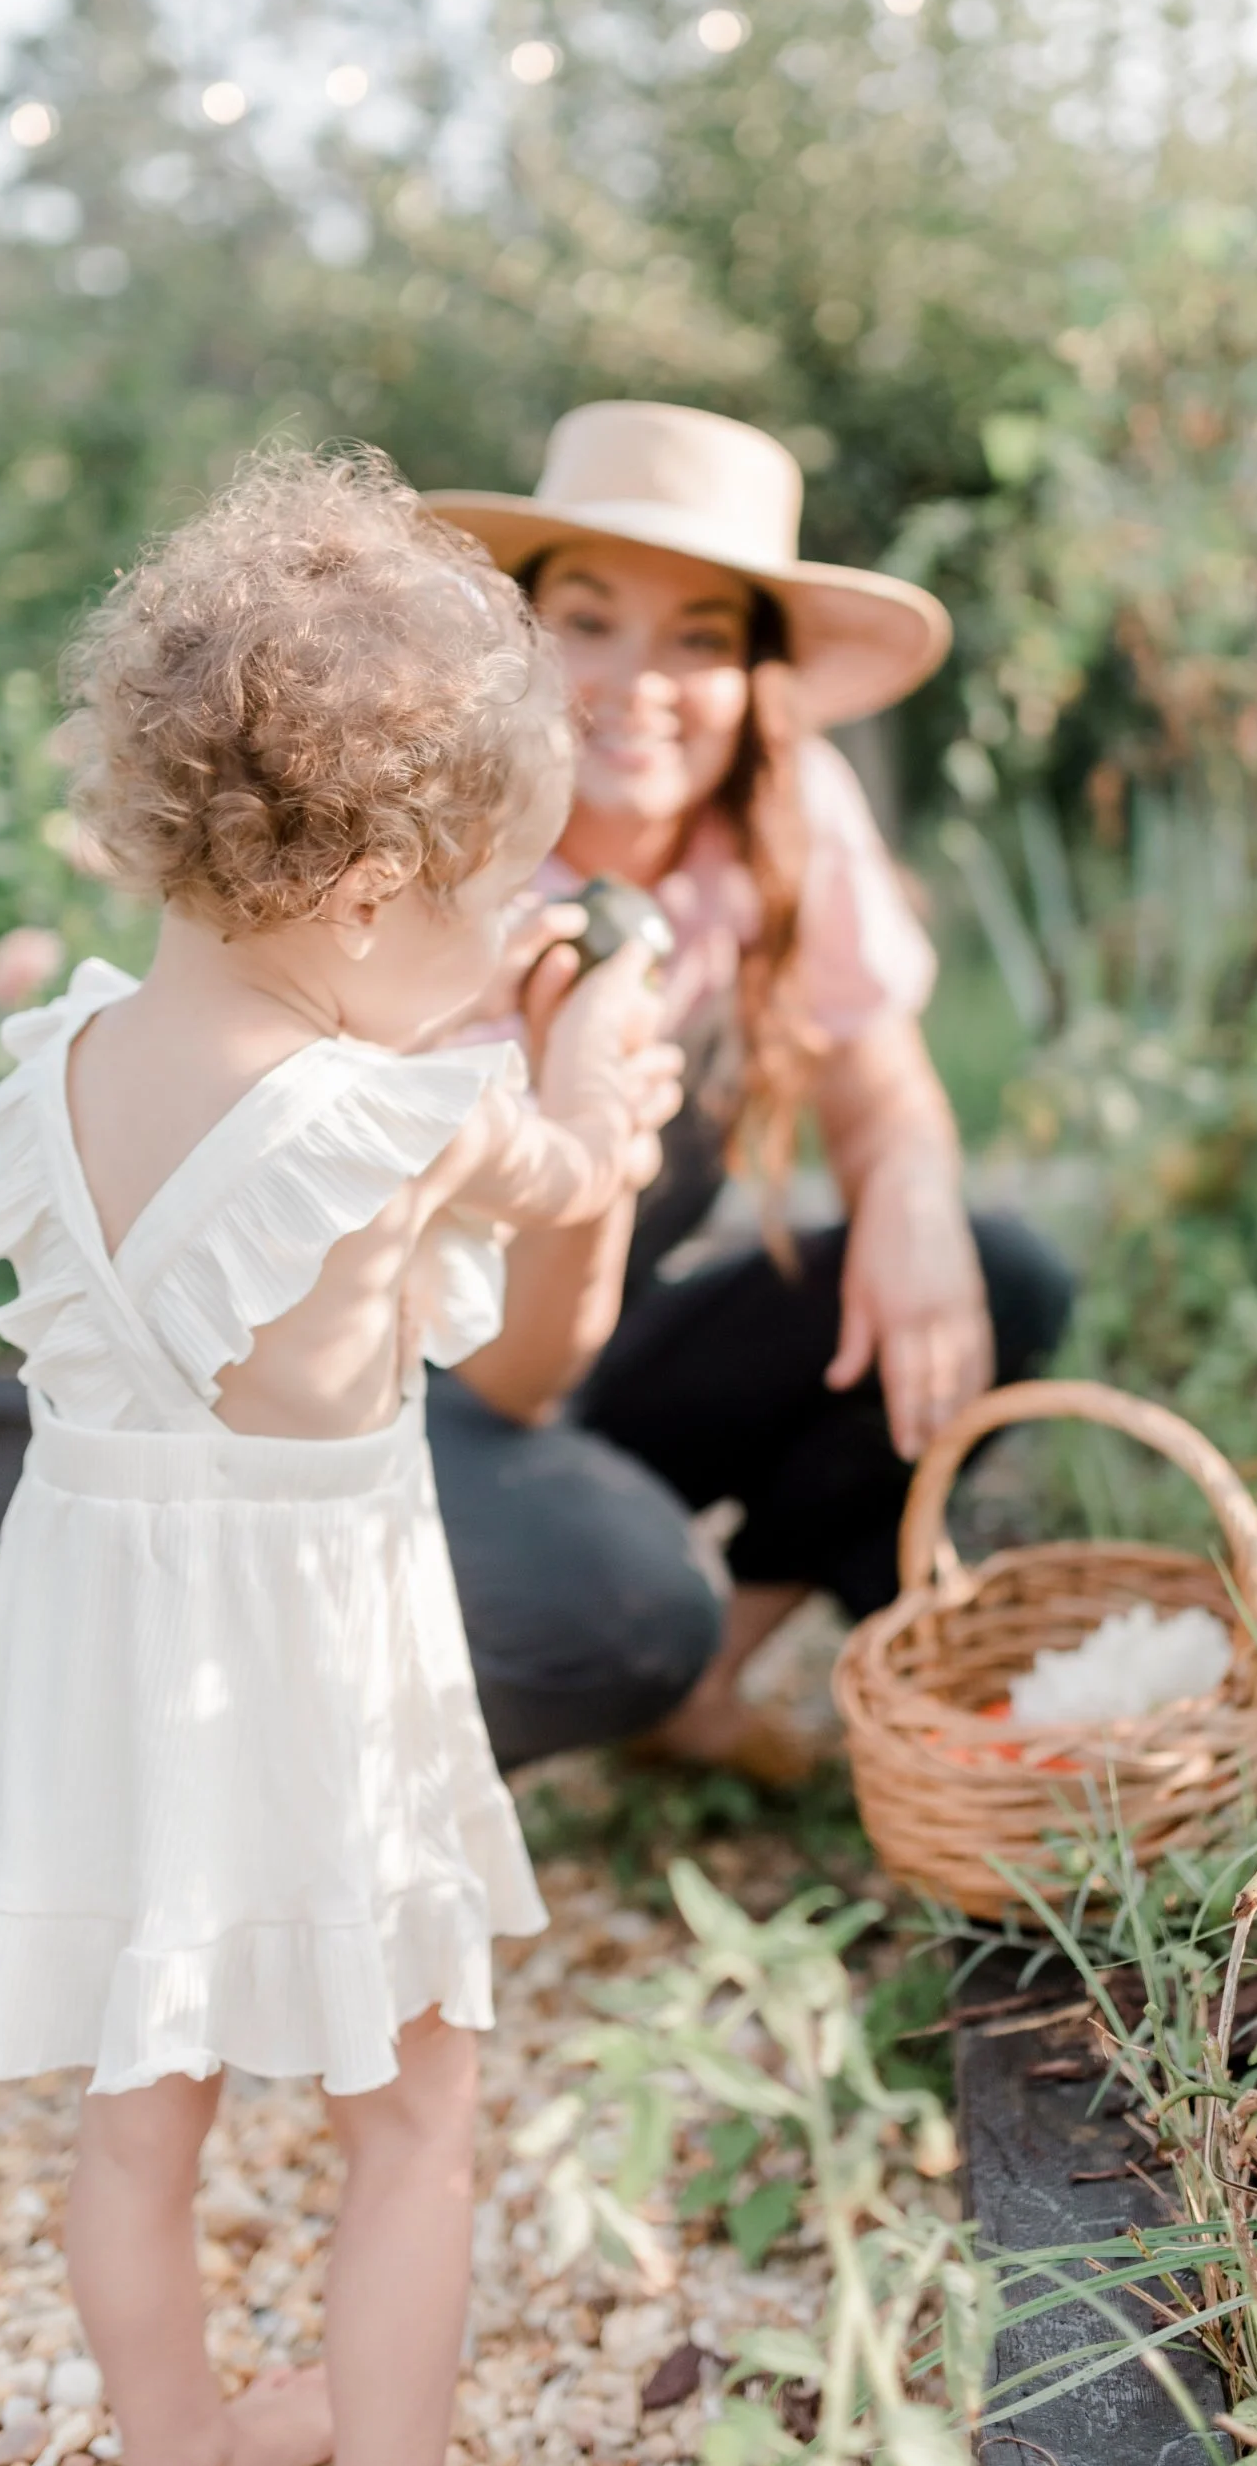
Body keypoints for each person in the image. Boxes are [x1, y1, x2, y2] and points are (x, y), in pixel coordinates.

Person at [0, 449, 681, 2466]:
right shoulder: (404, 1116)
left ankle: (175, 2459)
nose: (503, 935)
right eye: (487, 896)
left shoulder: (55, 1061)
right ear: (358, 901)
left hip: (108, 1668)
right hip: (317, 1675)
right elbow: (576, 1166)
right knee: (411, 2113)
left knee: (137, 2112)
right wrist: (589, 1039)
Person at [425, 402, 1073, 1784]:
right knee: (618, 1608)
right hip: (409, 1382)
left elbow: (881, 1083)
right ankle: (394, 1729)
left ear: (754, 674)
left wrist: (905, 1196)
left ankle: (698, 1693)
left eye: (699, 638)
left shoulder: (776, 818)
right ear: (521, 639)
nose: (638, 682)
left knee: (992, 1273)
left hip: (592, 1343)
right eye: (589, 621)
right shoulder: (440, 854)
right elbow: (492, 1353)